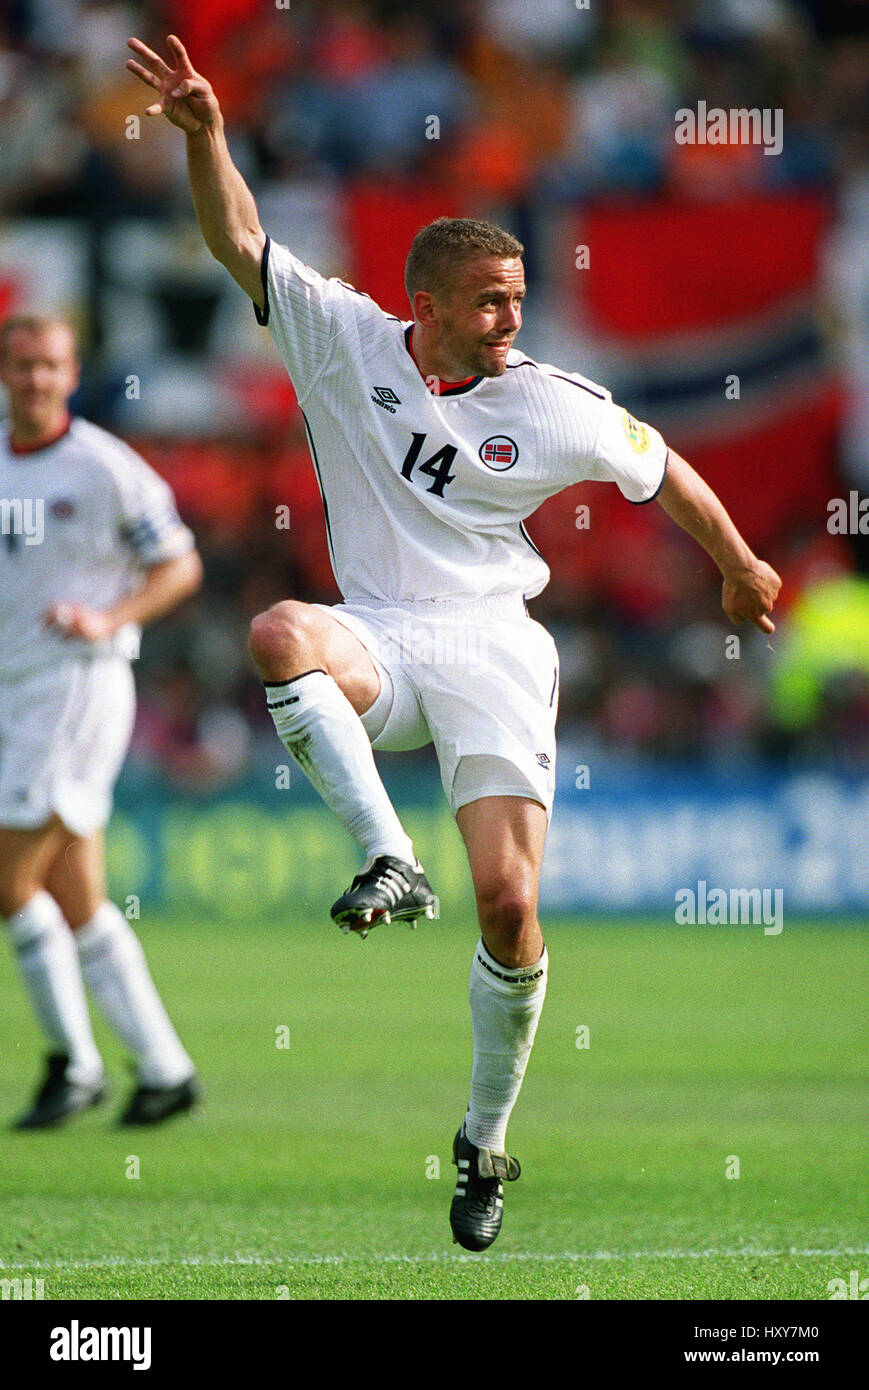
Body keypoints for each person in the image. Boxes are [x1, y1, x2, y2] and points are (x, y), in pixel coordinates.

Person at [126, 34, 782, 1249]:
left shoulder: (549, 400)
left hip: (492, 649)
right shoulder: (342, 338)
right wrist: (209, 135)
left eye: (517, 299)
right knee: (277, 633)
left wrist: (736, 563)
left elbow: (663, 468)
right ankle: (389, 856)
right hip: (378, 631)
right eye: (488, 302)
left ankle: (482, 1144)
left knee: (509, 910)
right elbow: (238, 239)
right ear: (423, 305)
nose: (507, 319)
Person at [0, 313, 203, 1128]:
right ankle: (164, 1069)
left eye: (49, 365)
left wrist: (110, 617)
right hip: (15, 691)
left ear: (72, 374)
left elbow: (179, 564)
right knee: (73, 894)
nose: (36, 379)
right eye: (22, 365)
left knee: (9, 879)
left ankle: (74, 1063)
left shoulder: (105, 467)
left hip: (74, 685)